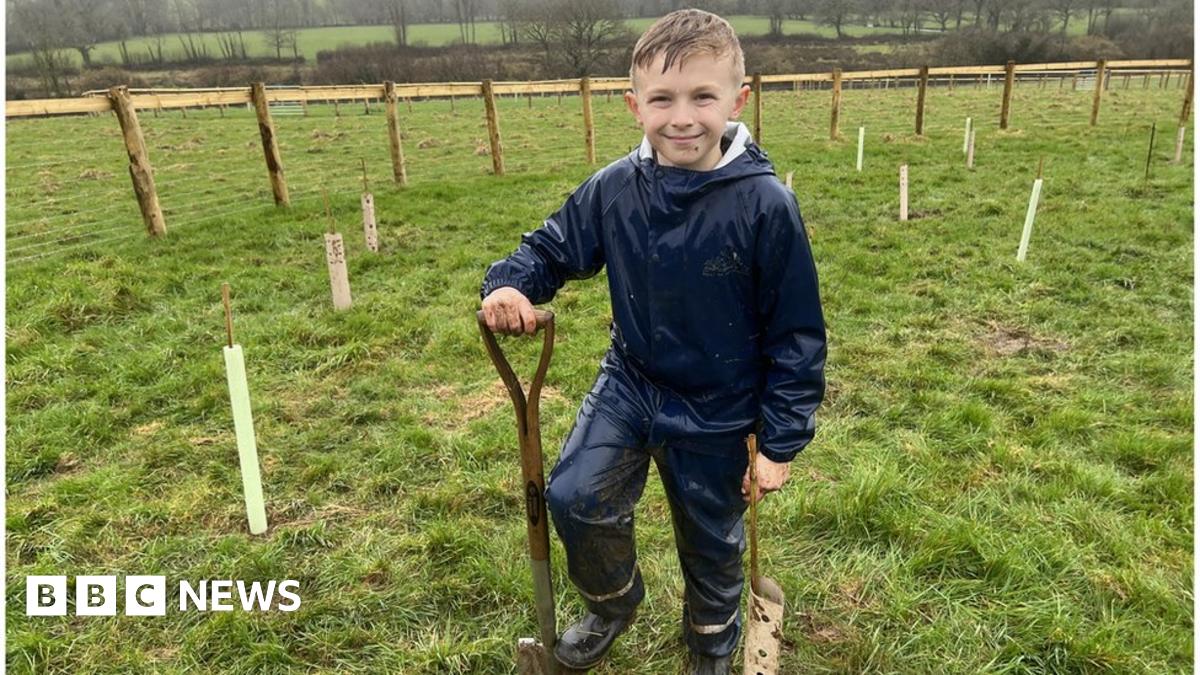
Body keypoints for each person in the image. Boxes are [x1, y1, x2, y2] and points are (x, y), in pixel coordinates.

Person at [479, 9, 825, 674]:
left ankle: (710, 647)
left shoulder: (765, 206)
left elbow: (797, 335)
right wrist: (512, 284)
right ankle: (612, 603)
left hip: (722, 406)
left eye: (703, 97)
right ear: (634, 105)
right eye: (662, 99)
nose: (682, 118)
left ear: (738, 101)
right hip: (631, 383)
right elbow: (552, 247)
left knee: (711, 544)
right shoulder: (616, 188)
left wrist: (780, 442)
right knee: (574, 497)